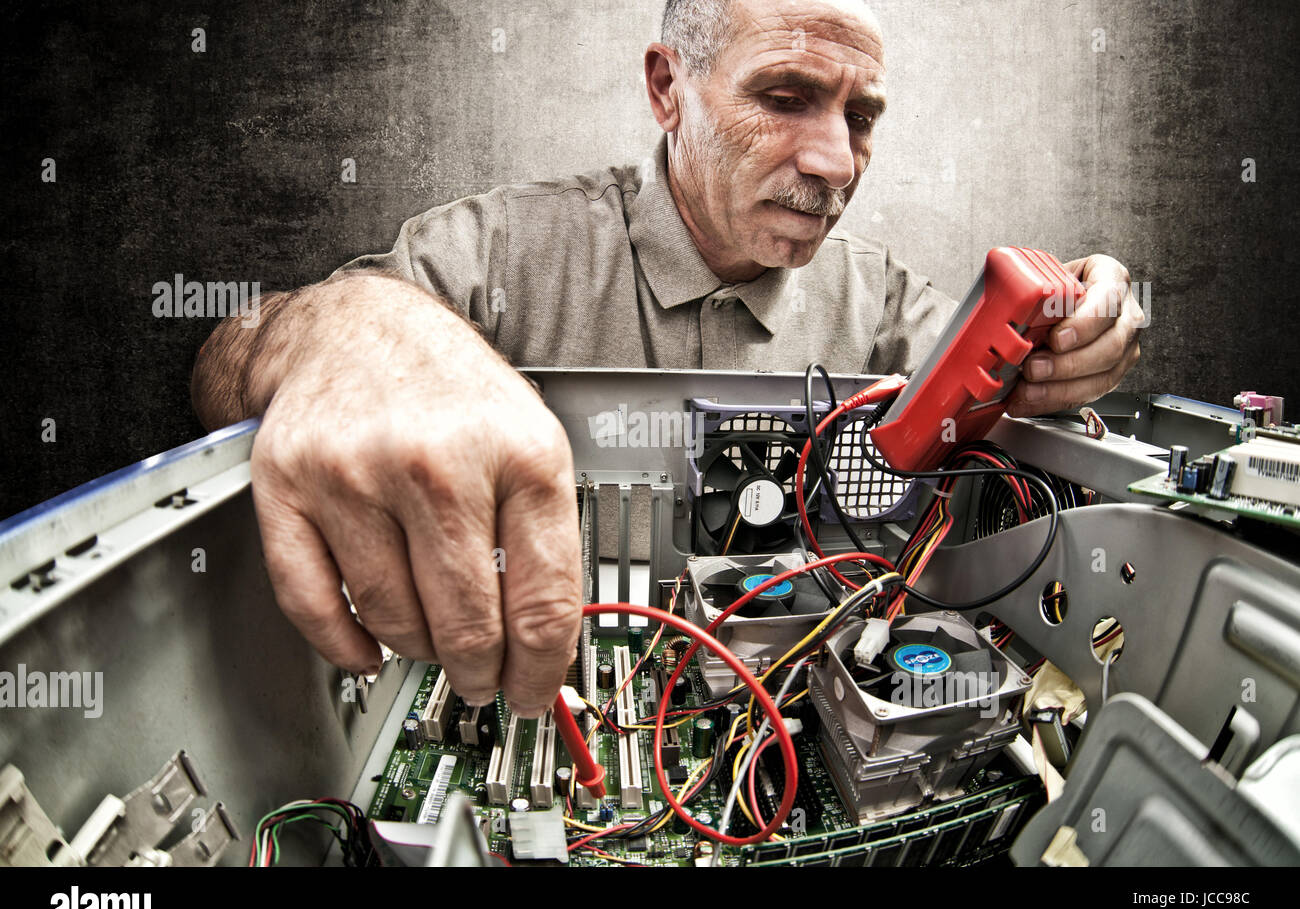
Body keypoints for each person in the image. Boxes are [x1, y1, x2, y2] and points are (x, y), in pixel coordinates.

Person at [191, 0, 1143, 718]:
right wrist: (348, 330)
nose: (836, 163)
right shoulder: (496, 253)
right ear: (667, 89)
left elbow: (1019, 408)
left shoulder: (886, 302)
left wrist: (1080, 326)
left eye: (861, 118)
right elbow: (223, 364)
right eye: (785, 98)